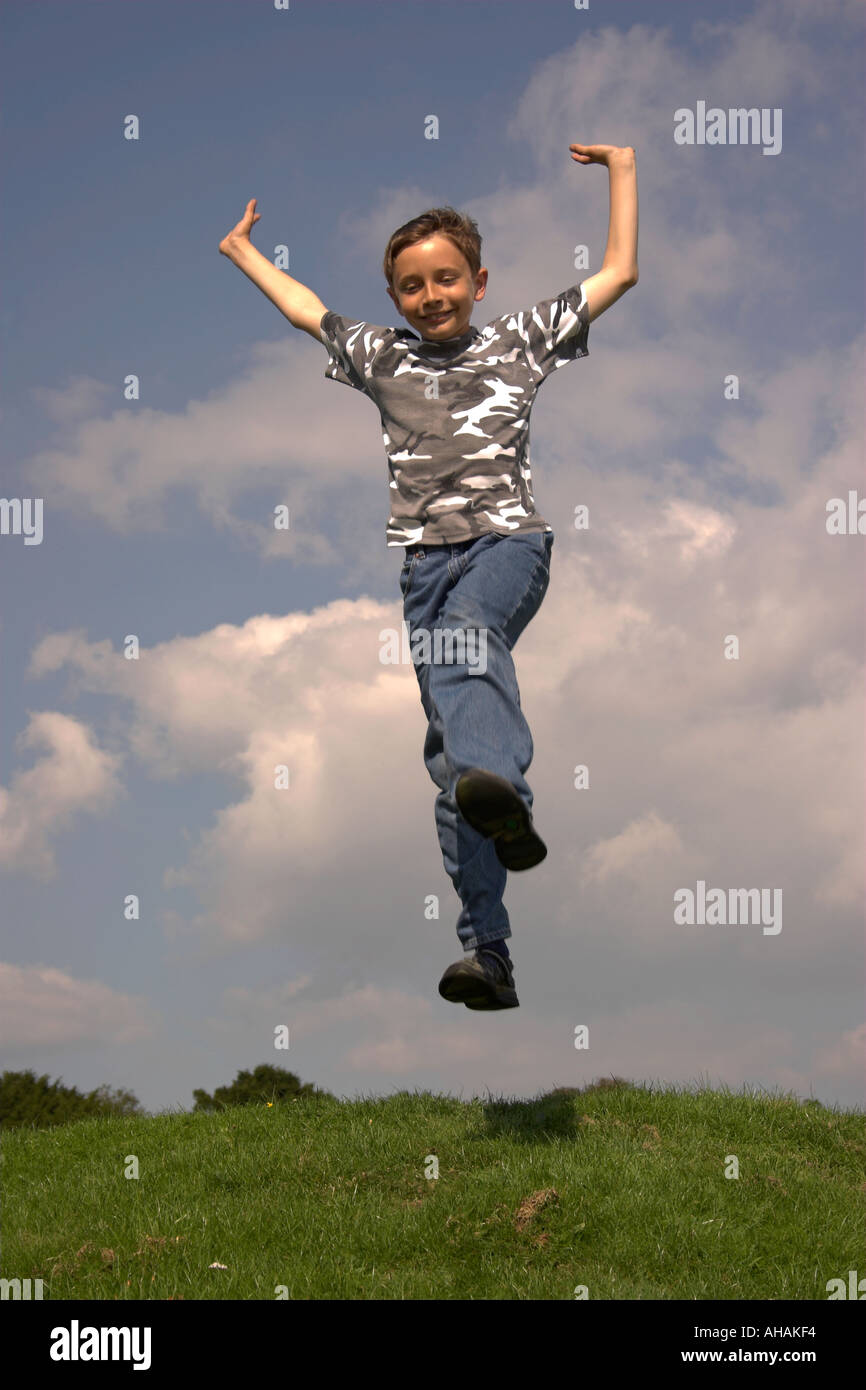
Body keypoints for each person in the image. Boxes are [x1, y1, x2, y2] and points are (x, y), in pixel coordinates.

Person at [219, 143, 638, 1012]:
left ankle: (506, 791)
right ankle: (488, 949)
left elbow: (620, 272)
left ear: (479, 283)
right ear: (394, 300)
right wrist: (245, 252)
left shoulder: (522, 343)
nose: (432, 296)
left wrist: (622, 170)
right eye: (412, 286)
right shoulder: (383, 358)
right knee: (452, 767)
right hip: (423, 568)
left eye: (448, 279)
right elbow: (307, 310)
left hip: (507, 544)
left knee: (469, 644)